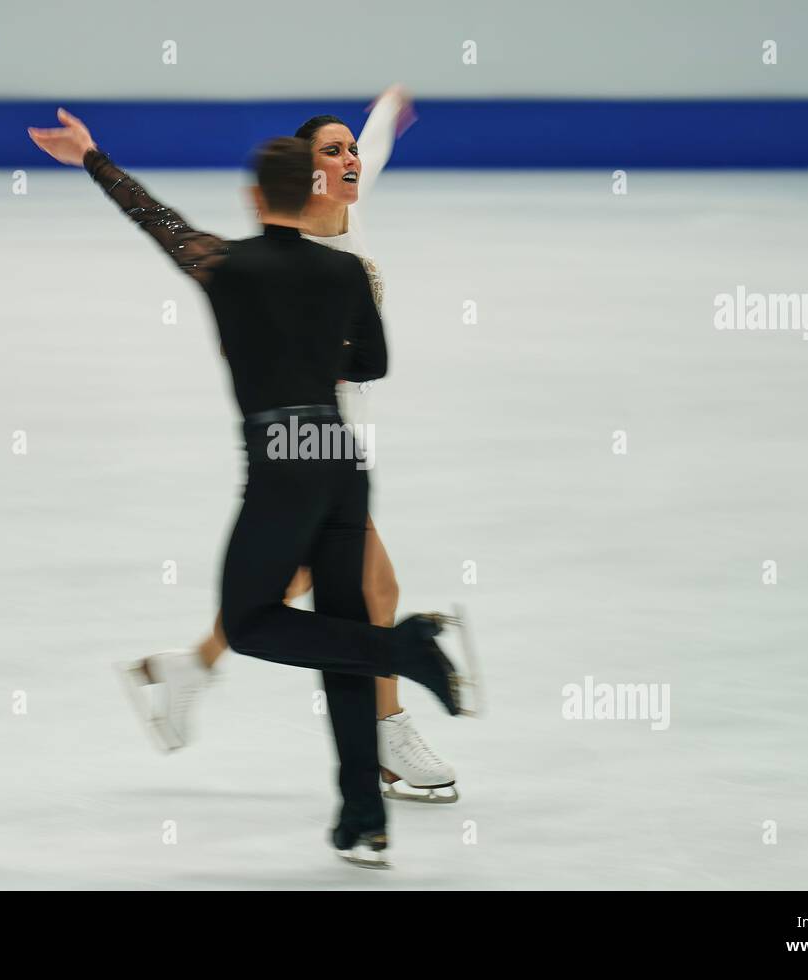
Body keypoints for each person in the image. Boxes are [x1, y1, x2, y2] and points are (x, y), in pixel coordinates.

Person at [27, 111, 479, 867]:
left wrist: (93, 159)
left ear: (252, 195)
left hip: (284, 457)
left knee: (250, 621)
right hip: (343, 455)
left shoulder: (227, 266)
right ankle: (362, 819)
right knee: (343, 634)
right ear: (310, 191)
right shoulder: (343, 272)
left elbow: (156, 220)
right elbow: (369, 366)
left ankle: (407, 648)